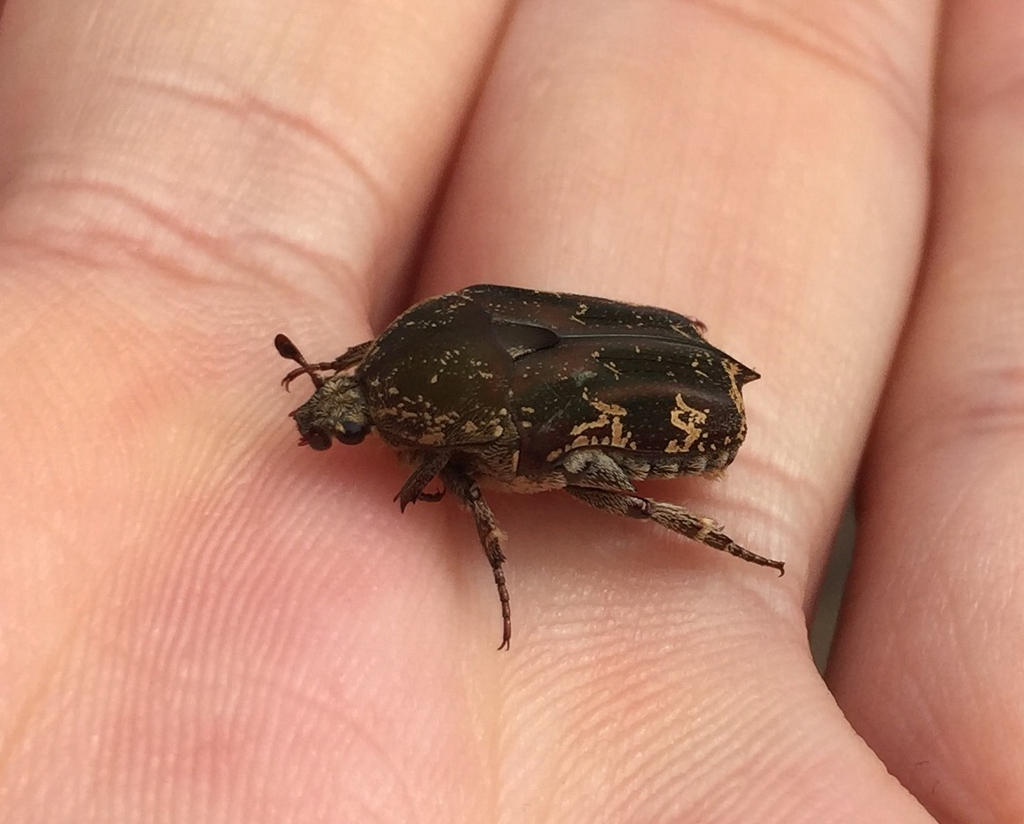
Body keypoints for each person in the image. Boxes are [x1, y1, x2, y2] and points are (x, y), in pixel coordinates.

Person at [1, 1, 1020, 820]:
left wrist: (478, 544)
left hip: (683, 408)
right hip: (651, 347)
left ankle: (706, 537)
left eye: (345, 405)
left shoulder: (455, 423)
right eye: (344, 396)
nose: (339, 407)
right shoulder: (431, 341)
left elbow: (464, 490)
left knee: (599, 492)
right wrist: (345, 374)